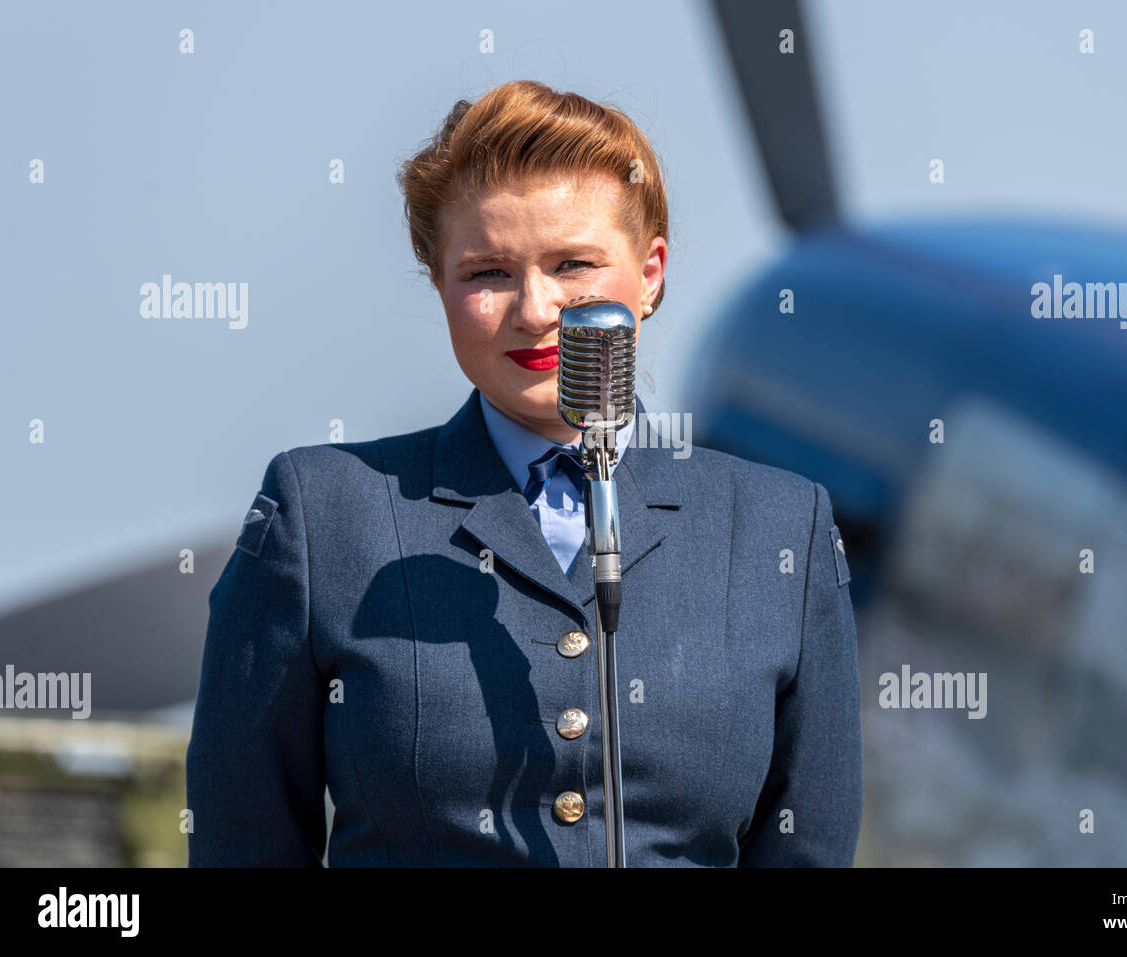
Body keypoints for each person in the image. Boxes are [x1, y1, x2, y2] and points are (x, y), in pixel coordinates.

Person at [185, 80, 861, 867]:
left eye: (574, 263)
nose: (536, 309)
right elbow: (243, 842)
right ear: (437, 281)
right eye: (488, 273)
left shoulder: (782, 529)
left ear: (650, 274)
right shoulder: (325, 515)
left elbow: (808, 849)